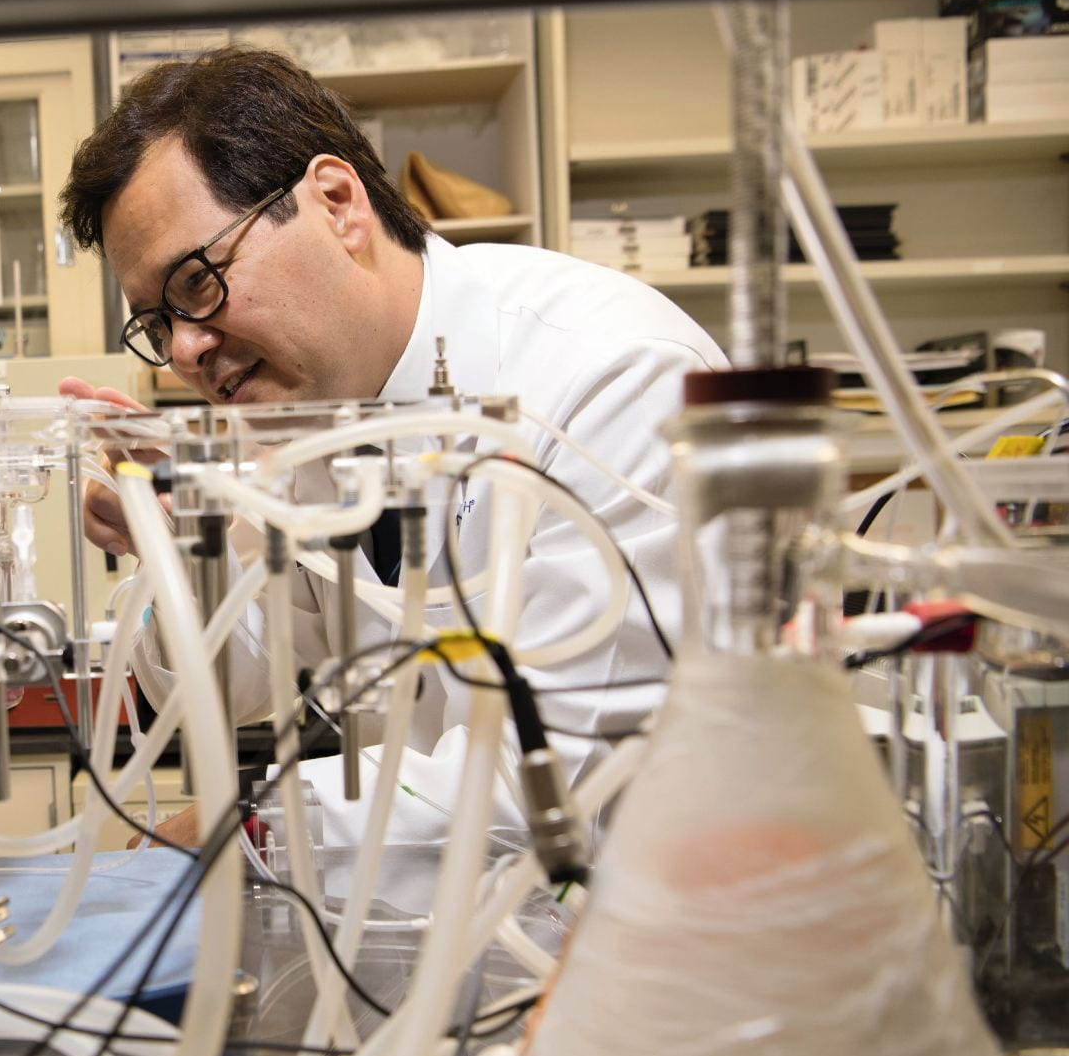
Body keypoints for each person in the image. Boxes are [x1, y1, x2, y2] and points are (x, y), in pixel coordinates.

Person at [56, 48, 728, 848]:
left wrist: (255, 828)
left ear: (337, 202)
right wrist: (168, 550)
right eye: (158, 324)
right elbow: (230, 680)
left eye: (198, 282)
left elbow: (563, 781)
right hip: (432, 935)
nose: (186, 352)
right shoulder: (316, 417)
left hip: (621, 937)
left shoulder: (609, 380)